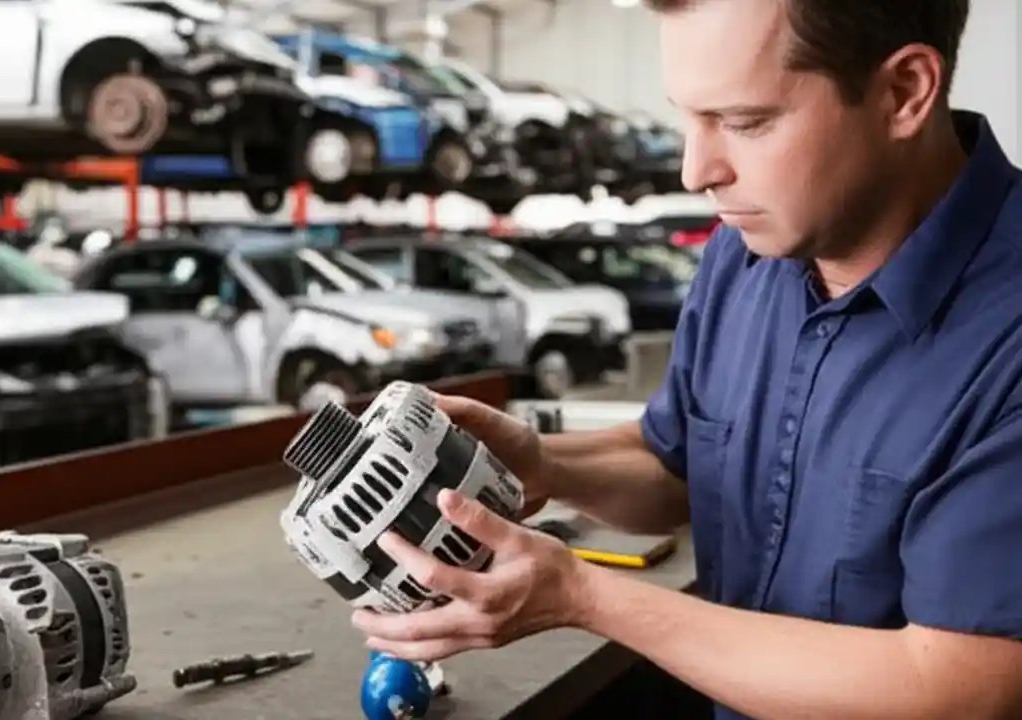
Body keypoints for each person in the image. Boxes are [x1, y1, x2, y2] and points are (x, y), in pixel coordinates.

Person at [350, 0, 1022, 717]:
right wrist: (542, 464)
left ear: (903, 92)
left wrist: (580, 595)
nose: (695, 169)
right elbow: (680, 468)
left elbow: (959, 687)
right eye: (688, 117)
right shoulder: (748, 253)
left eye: (744, 122)